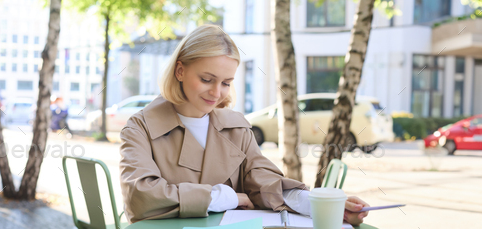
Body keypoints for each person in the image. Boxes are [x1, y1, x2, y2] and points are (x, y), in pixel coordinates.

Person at [119, 25, 370, 225]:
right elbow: (142, 196)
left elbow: (264, 181)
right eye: (207, 79)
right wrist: (226, 196)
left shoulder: (237, 127)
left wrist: (322, 205)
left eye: (226, 83)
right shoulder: (140, 127)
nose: (216, 93)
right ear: (180, 71)